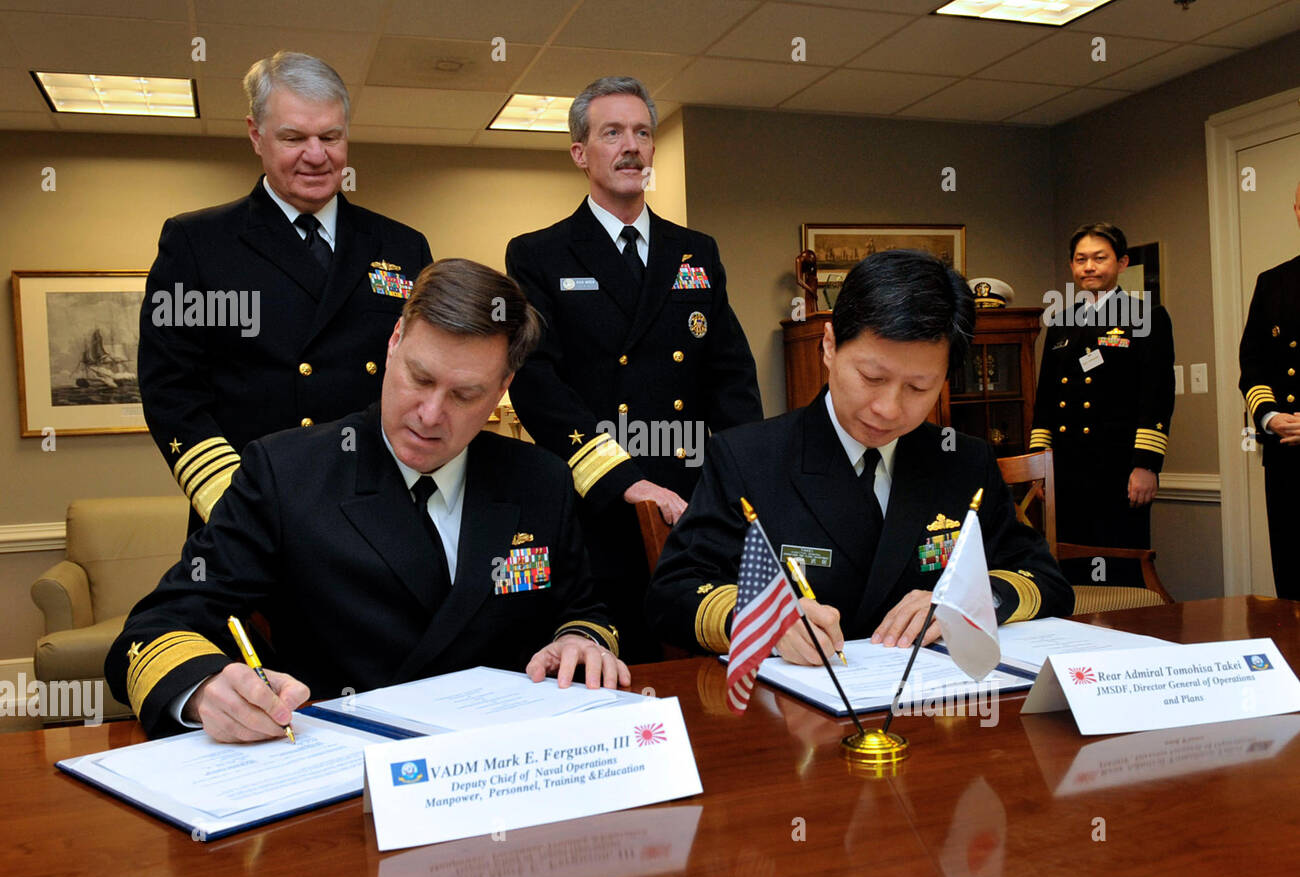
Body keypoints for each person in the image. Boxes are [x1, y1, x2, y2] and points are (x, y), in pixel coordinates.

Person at [108, 259, 626, 740]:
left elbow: (583, 608)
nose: (429, 414)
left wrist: (582, 641)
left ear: (503, 387)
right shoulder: (287, 473)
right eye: (419, 378)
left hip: (501, 766)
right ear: (394, 342)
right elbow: (160, 625)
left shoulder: (540, 479)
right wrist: (202, 691)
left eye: (465, 395)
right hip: (342, 773)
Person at [646, 249, 1071, 662]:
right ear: (830, 345)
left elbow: (1044, 578)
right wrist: (765, 618)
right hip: (796, 713)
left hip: (932, 704)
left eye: (919, 388)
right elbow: (674, 593)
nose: (888, 408)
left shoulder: (962, 460)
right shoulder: (748, 458)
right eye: (872, 377)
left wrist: (965, 603)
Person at [505, 76, 762, 662]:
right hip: (598, 496)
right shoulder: (539, 253)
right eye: (612, 132)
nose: (631, 146)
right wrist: (624, 480)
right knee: (623, 661)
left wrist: (744, 478)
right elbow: (537, 382)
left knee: (711, 660)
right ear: (580, 153)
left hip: (694, 497)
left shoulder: (696, 250)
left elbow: (730, 375)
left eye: (643, 133)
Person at [138, 51, 432, 535]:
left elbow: (423, 376)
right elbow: (171, 390)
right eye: (294, 138)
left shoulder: (402, 245)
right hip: (250, 505)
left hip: (376, 506)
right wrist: (237, 501)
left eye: (331, 137)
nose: (316, 155)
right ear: (256, 135)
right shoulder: (198, 243)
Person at [1029, 223, 1175, 586]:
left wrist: (1146, 465)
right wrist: (1040, 462)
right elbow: (1045, 397)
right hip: (1066, 469)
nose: (1089, 267)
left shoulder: (1146, 317)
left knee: (1119, 571)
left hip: (1119, 469)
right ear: (1071, 266)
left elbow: (1157, 397)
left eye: (1099, 258)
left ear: (1122, 263)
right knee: (1072, 573)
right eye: (1081, 260)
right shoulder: (1061, 322)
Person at [1239, 180, 1300, 600]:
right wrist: (1269, 416)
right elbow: (1253, 364)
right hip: (1287, 455)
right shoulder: (1273, 282)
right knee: (1293, 577)